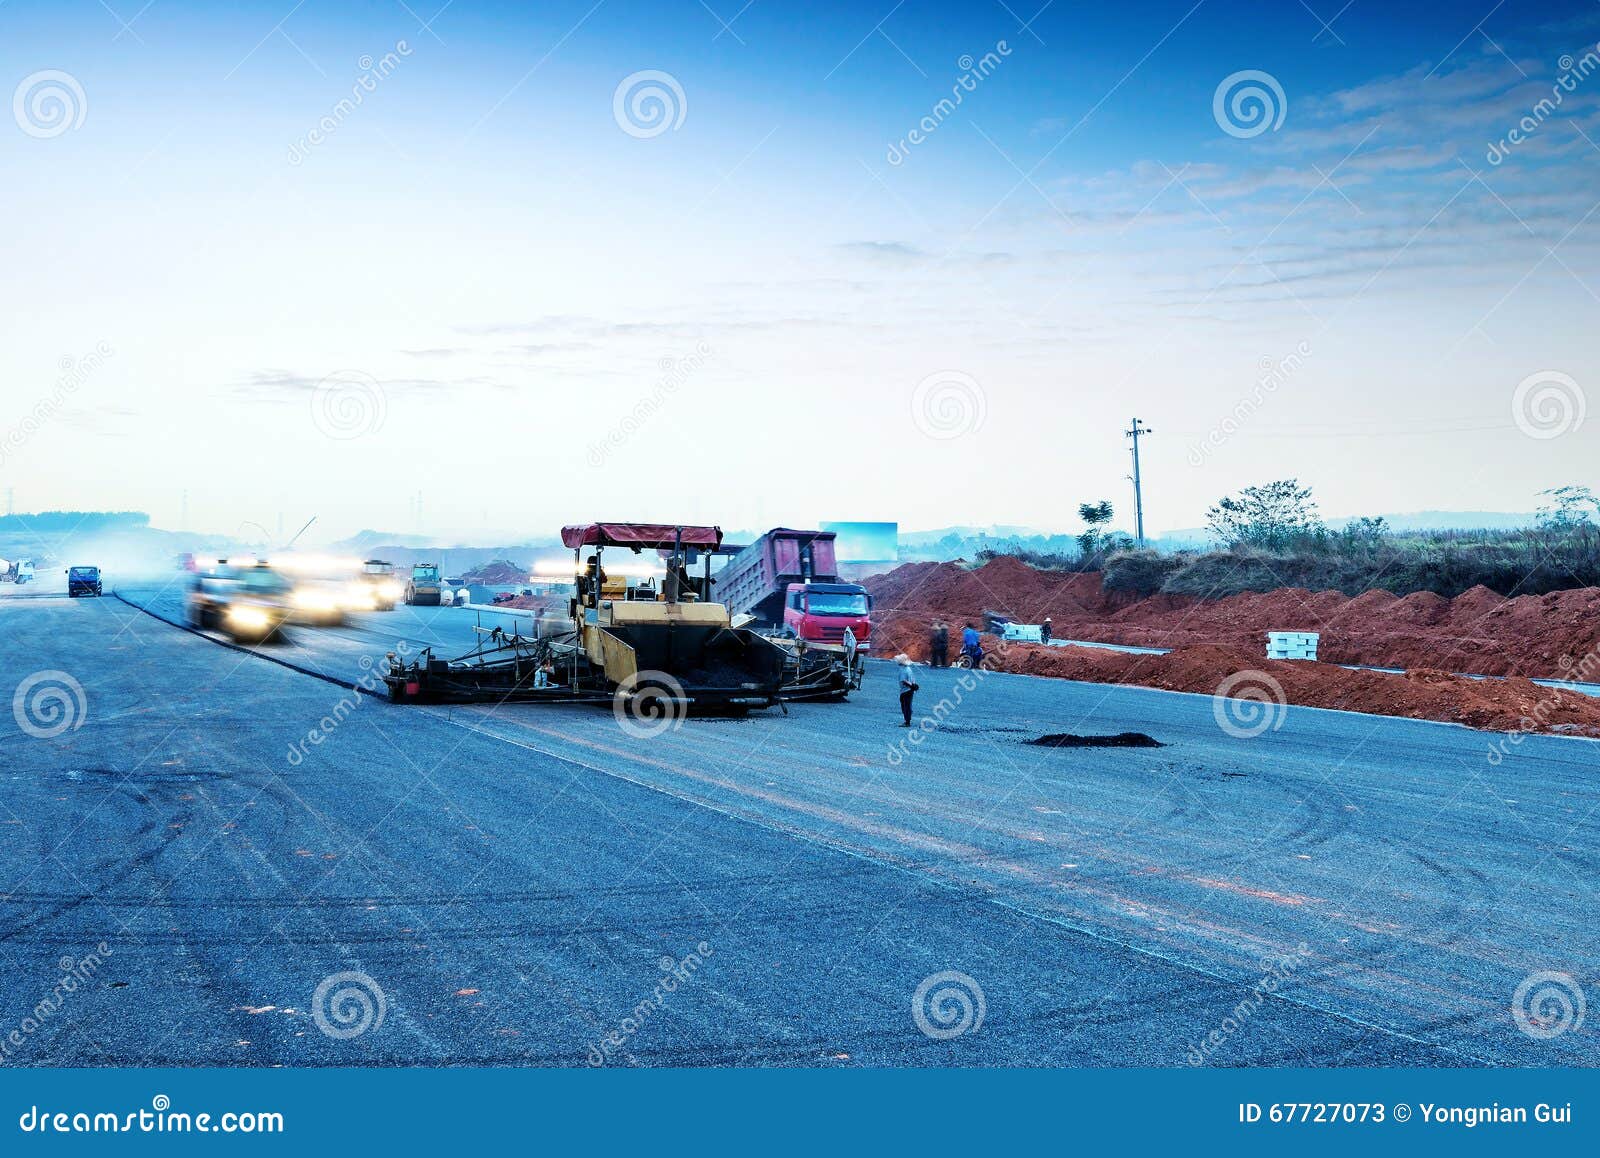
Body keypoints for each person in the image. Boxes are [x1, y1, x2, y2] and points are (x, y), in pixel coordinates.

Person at [896, 653, 919, 726]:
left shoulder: (902, 670)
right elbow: (913, 679)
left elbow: (903, 681)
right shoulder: (908, 669)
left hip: (905, 690)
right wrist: (913, 685)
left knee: (905, 706)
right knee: (908, 705)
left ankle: (907, 721)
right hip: (910, 690)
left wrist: (910, 685)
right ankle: (908, 719)